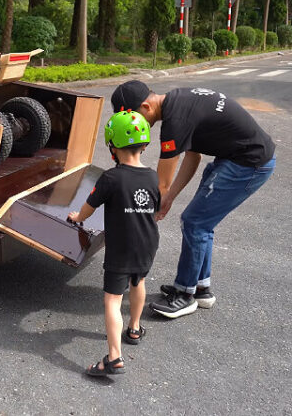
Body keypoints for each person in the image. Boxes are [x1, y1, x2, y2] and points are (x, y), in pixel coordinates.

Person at [111, 80, 276, 318]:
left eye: (133, 118)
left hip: (249, 163)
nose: (134, 126)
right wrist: (168, 199)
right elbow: (193, 157)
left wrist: (140, 216)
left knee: (195, 223)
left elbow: (161, 184)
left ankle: (185, 296)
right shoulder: (178, 101)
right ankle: (200, 289)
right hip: (235, 158)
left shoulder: (175, 121)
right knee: (200, 223)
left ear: (146, 106)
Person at [68, 110, 159, 377]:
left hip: (122, 247)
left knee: (112, 299)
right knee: (138, 282)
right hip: (148, 243)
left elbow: (87, 209)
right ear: (144, 144)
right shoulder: (153, 177)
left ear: (112, 145)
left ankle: (114, 357)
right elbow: (156, 208)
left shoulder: (110, 178)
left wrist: (77, 217)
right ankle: (134, 327)